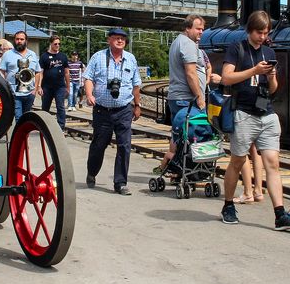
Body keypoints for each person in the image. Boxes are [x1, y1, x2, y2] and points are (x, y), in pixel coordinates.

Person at [219, 10, 290, 231]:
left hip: (266, 113)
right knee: (237, 162)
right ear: (249, 30)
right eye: (259, 32)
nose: (262, 36)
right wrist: (254, 70)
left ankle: (280, 214)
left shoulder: (268, 51)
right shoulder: (237, 49)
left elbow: (274, 90)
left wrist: (272, 77)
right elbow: (227, 77)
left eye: (265, 32)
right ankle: (228, 205)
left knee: (273, 164)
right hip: (244, 113)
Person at [155, 14, 219, 174]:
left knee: (180, 137)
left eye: (203, 29)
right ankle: (187, 171)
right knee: (193, 137)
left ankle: (174, 170)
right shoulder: (188, 44)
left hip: (180, 98)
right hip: (187, 100)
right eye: (198, 28)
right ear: (187, 28)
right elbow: (191, 73)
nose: (201, 32)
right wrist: (200, 97)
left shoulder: (179, 42)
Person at [83, 28, 142, 195]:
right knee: (99, 145)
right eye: (116, 38)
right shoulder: (98, 57)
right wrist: (89, 95)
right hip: (103, 110)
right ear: (109, 40)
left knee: (124, 146)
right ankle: (92, 172)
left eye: (123, 38)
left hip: (124, 109)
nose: (120, 40)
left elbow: (136, 84)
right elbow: (88, 78)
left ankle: (120, 183)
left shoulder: (130, 59)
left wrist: (137, 105)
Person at [0, 30, 40, 122]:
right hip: (14, 93)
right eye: (17, 39)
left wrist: (35, 89)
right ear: (14, 40)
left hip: (30, 93)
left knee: (27, 118)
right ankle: (20, 135)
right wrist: (7, 87)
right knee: (19, 118)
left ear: (26, 41)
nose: (19, 41)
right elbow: (2, 71)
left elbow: (38, 72)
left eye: (22, 39)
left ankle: (24, 135)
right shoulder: (7, 54)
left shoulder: (32, 54)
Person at [38, 35, 70, 130]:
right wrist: (39, 86)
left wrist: (68, 87)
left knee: (60, 106)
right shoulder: (44, 56)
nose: (57, 45)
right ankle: (44, 126)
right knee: (45, 107)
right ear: (51, 44)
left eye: (59, 44)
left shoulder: (63, 56)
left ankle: (61, 127)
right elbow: (41, 72)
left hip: (60, 86)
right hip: (47, 87)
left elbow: (67, 72)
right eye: (55, 44)